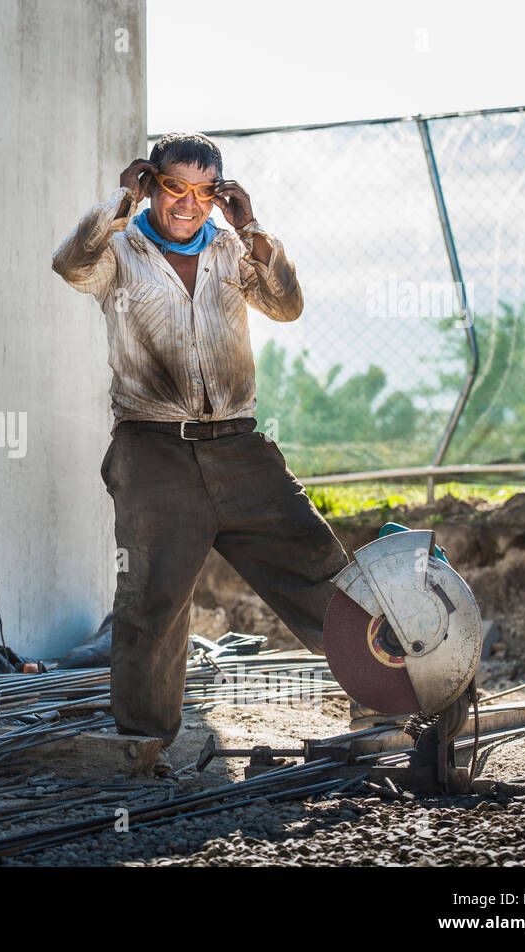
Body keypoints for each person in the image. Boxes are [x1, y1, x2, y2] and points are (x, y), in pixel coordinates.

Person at [51, 132, 349, 746]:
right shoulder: (121, 251)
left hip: (238, 447)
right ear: (151, 185)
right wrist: (118, 202)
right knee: (151, 600)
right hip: (151, 449)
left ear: (219, 195)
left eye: (204, 191)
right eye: (173, 187)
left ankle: (390, 695)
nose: (188, 203)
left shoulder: (233, 250)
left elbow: (287, 306)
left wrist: (254, 227)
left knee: (319, 568)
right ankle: (144, 743)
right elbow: (71, 265)